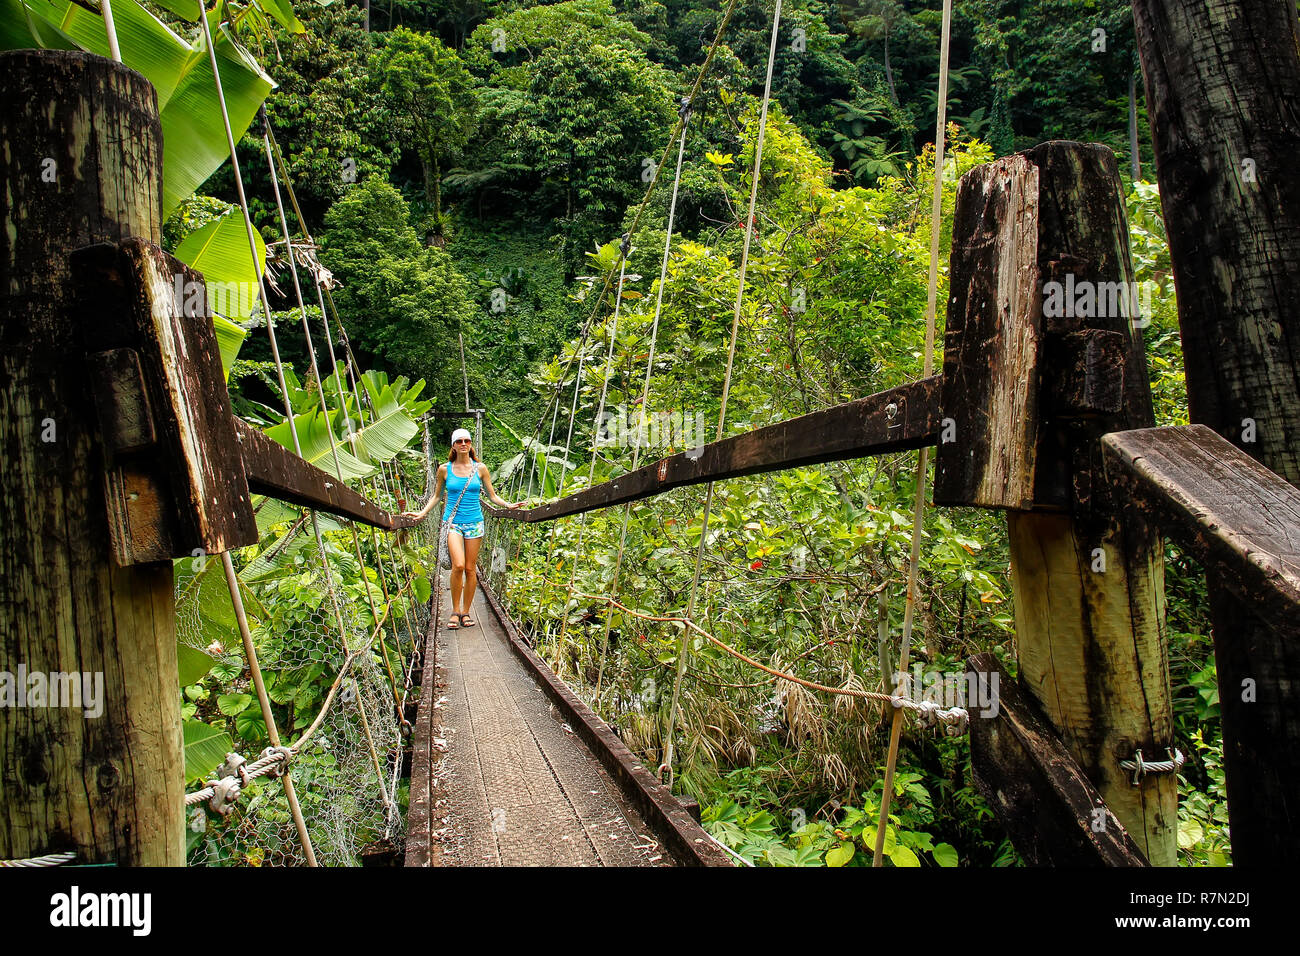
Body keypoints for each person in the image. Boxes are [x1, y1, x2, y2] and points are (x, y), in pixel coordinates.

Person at [406, 428, 519, 628]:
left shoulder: (481, 468)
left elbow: (491, 496)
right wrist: (422, 513)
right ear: (453, 445)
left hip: (475, 522)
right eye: (459, 441)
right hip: (453, 523)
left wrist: (507, 505)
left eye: (467, 440)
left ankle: (466, 612)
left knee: (470, 568)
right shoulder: (444, 469)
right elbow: (436, 496)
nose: (464, 444)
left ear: (470, 444)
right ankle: (455, 610)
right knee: (458, 565)